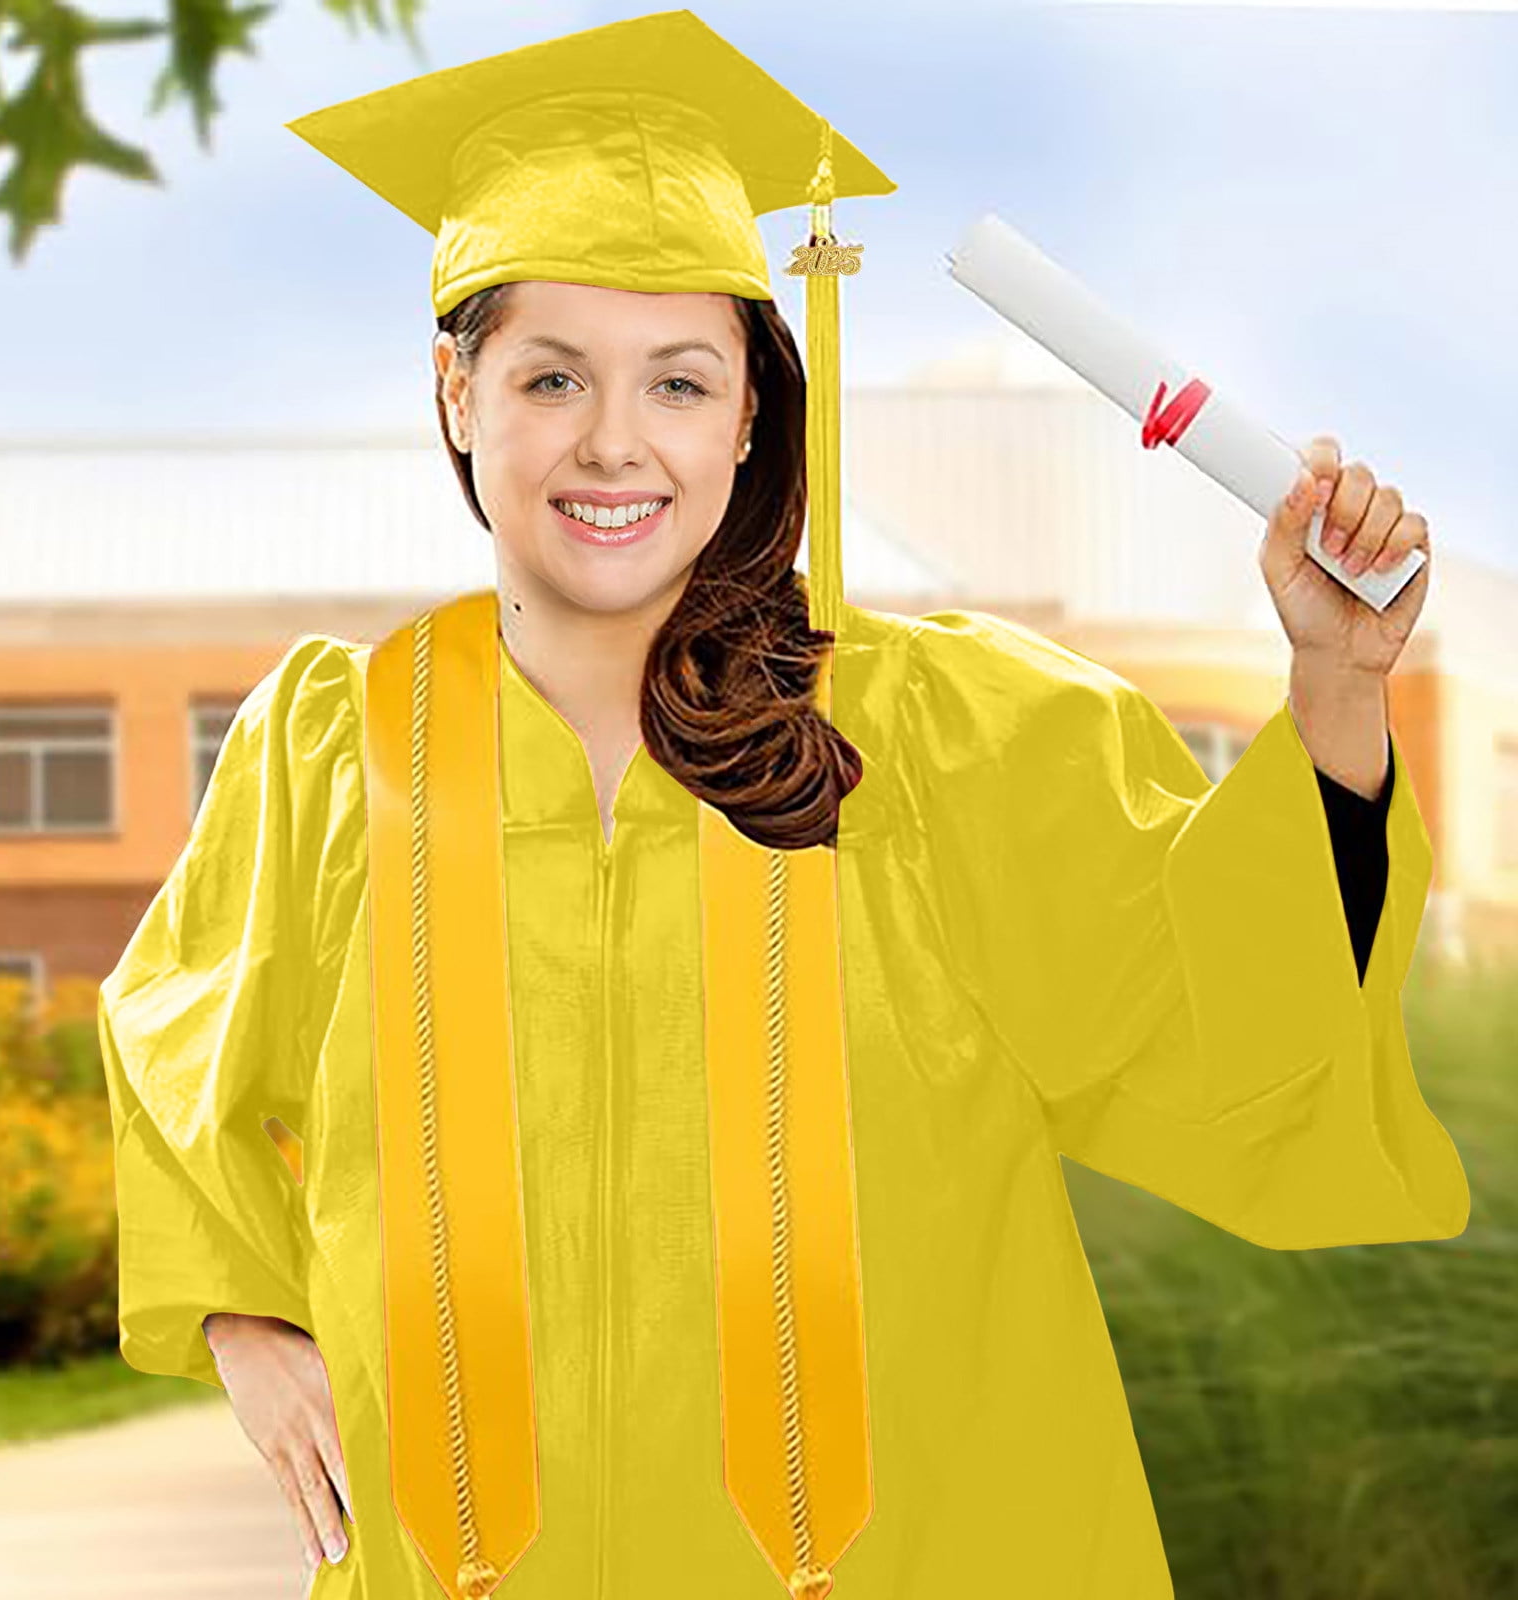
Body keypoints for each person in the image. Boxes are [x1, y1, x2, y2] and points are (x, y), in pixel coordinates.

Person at [95, 11, 1465, 1599]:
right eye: (552, 376)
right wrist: (242, 1319)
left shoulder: (937, 737)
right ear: (457, 393)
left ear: (752, 413)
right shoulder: (335, 753)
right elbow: (175, 1042)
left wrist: (1335, 687)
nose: (616, 443)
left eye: (679, 382)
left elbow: (1234, 1020)